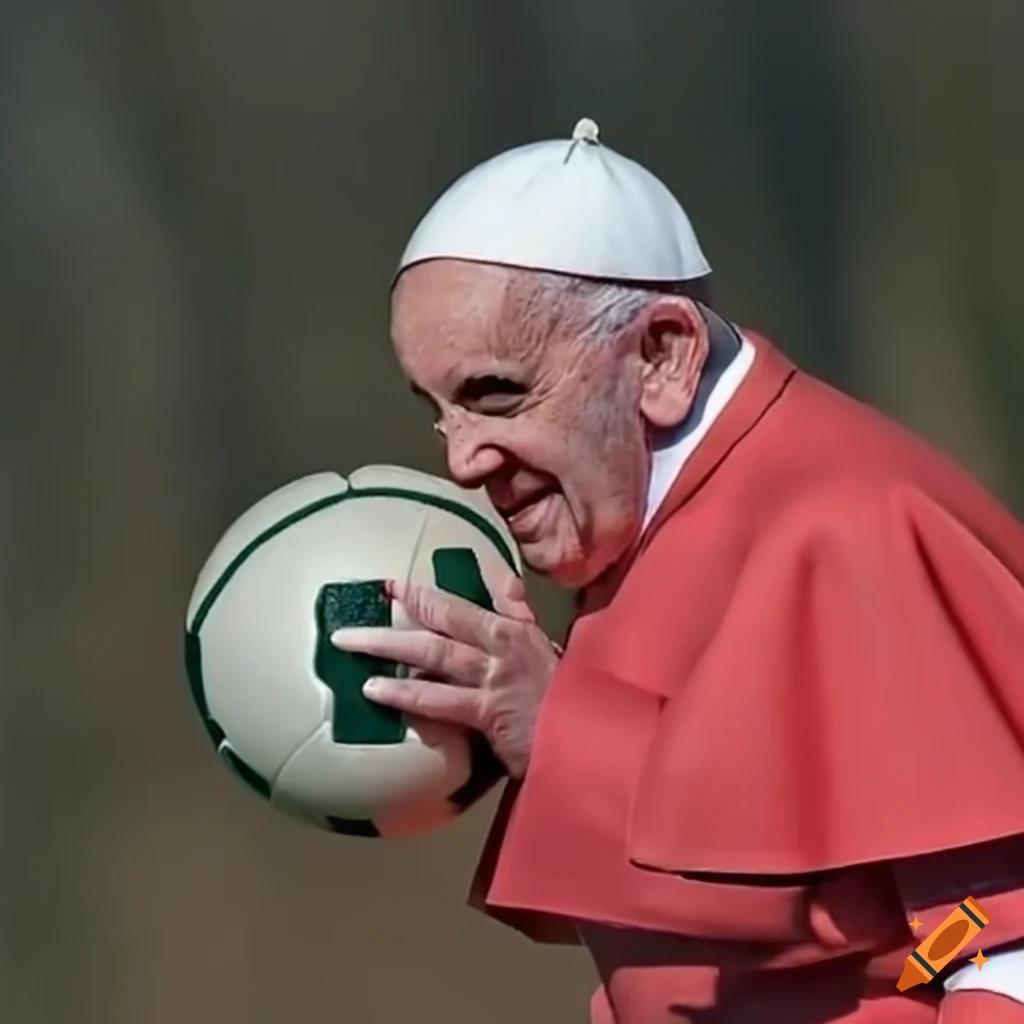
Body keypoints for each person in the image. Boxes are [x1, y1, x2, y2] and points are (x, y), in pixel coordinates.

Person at [332, 119, 1024, 1023]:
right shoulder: (645, 507)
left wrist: (559, 723)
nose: (461, 460)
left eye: (497, 395)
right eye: (438, 409)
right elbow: (759, 920)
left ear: (663, 354)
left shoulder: (861, 525)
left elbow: (999, 941)